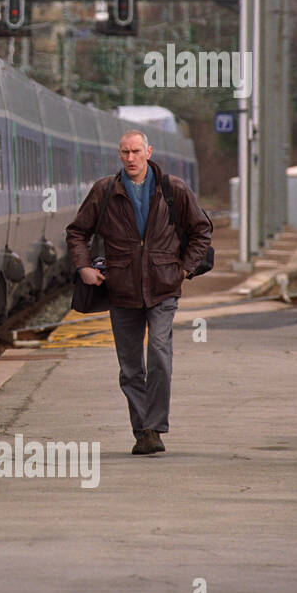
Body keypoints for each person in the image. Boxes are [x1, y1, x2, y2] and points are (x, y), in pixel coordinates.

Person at [65, 130, 212, 455]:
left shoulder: (173, 189)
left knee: (159, 353)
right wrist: (84, 268)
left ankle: (154, 427)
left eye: (135, 151)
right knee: (130, 367)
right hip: (121, 290)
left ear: (148, 152)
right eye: (124, 152)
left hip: (164, 288)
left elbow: (202, 230)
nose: (130, 158)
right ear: (119, 155)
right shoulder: (105, 190)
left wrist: (185, 268)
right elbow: (77, 232)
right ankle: (141, 431)